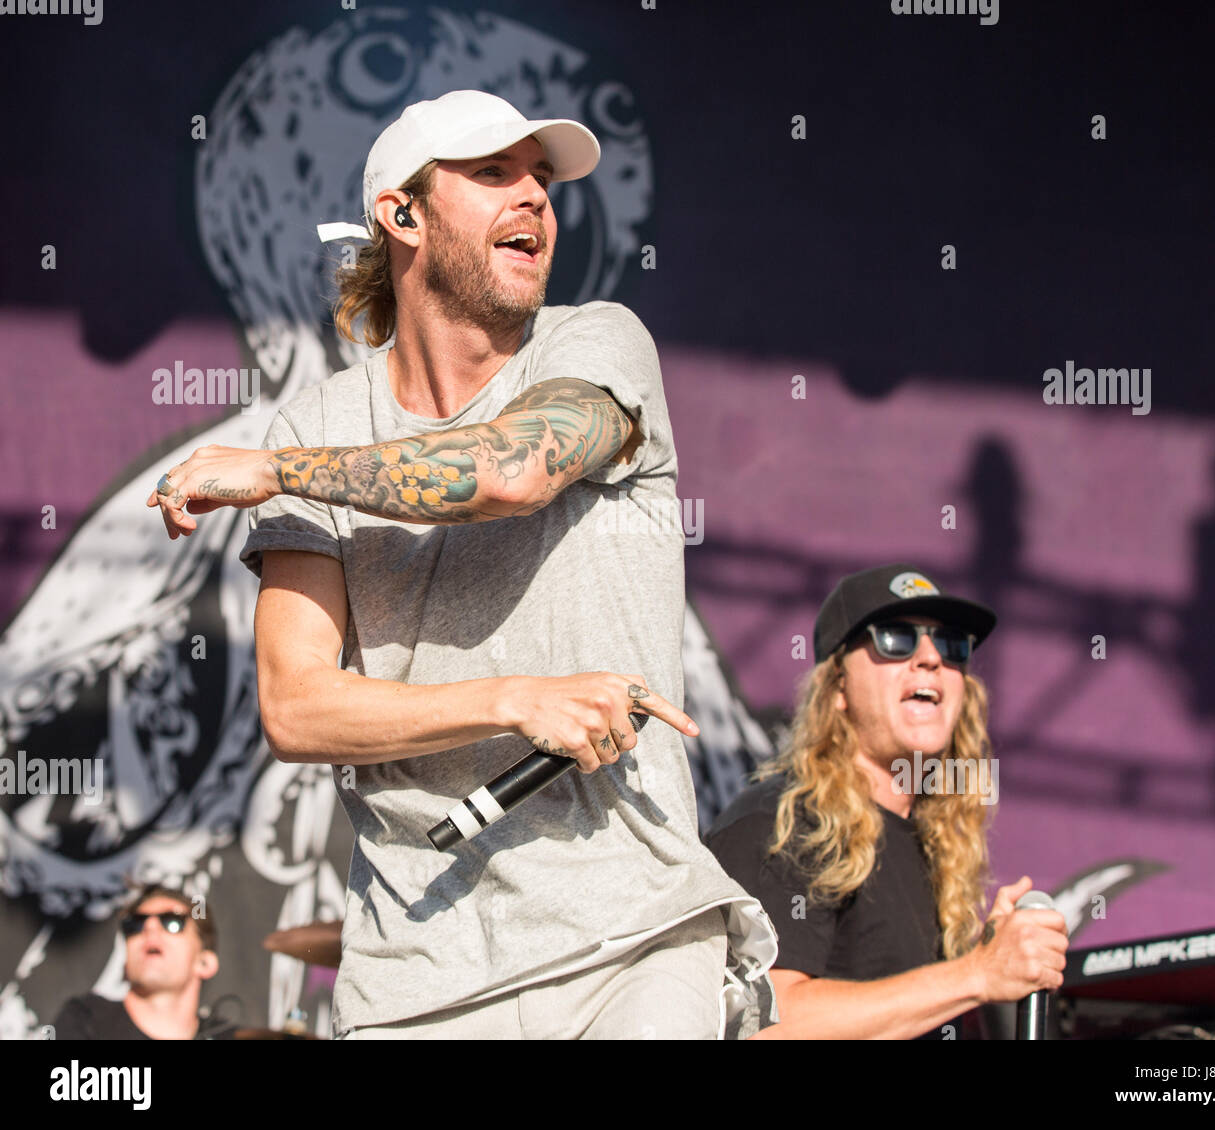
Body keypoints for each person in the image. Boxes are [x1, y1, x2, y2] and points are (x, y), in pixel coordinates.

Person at [145, 90, 775, 1039]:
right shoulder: (320, 422)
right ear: (401, 216)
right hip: (418, 972)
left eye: (542, 179)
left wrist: (273, 471)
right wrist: (513, 699)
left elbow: (511, 471)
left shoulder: (598, 341)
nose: (534, 198)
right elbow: (297, 707)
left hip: (630, 935)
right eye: (492, 174)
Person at [706, 565, 1068, 1039]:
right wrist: (976, 974)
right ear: (837, 688)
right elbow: (768, 1027)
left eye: (952, 644)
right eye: (895, 638)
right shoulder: (780, 822)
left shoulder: (933, 844)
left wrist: (987, 967)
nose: (931, 659)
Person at [53, 885, 233, 1040]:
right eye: (135, 925)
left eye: (172, 922)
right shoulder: (84, 1019)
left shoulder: (232, 1036)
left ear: (204, 963)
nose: (150, 928)